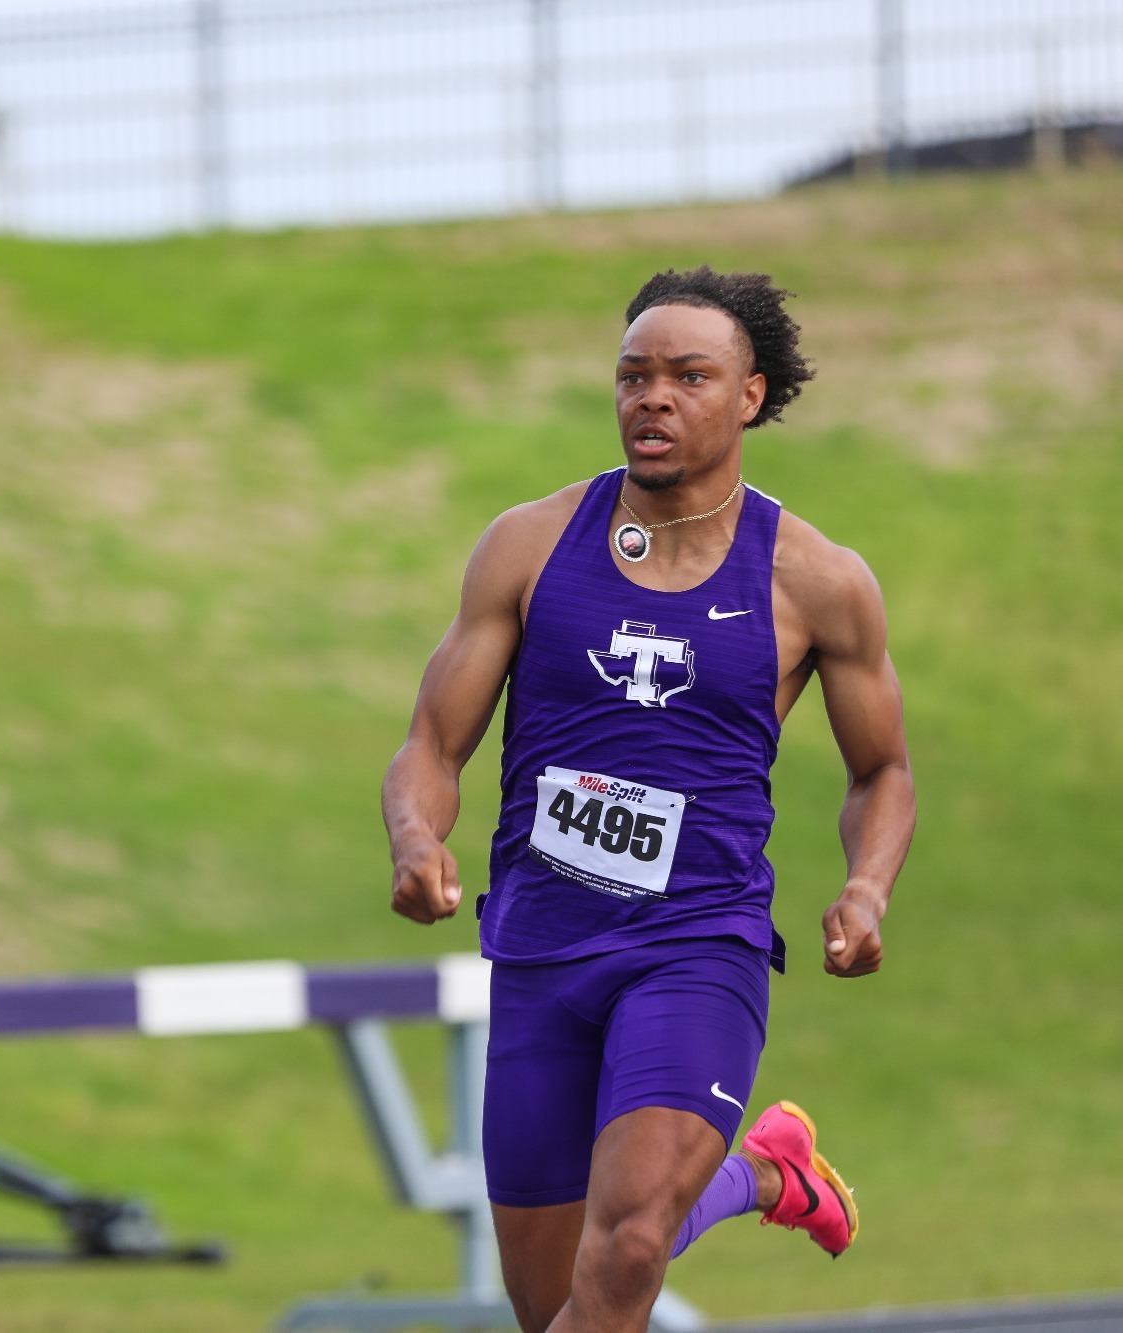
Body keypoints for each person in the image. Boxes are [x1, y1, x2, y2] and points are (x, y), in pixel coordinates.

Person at [381, 267, 916, 1333]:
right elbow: (432, 743)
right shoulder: (529, 546)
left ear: (749, 396)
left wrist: (864, 887)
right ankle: (765, 1173)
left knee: (625, 1245)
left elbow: (880, 770)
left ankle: (747, 1171)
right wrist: (412, 834)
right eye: (632, 375)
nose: (651, 397)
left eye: (687, 375)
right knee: (558, 1310)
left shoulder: (813, 578)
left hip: (694, 944)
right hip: (540, 950)